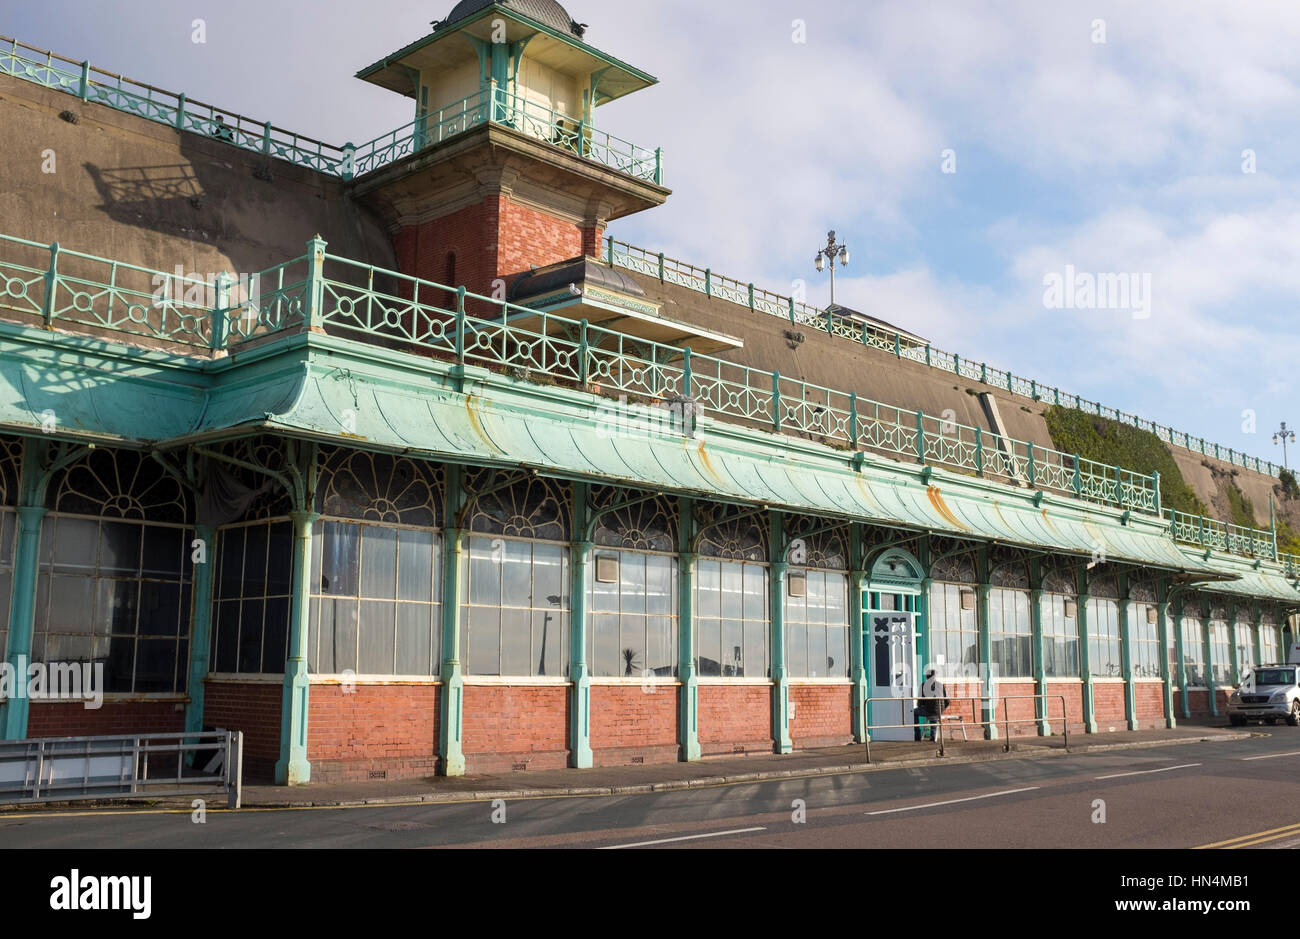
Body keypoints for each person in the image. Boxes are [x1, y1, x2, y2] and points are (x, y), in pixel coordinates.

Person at [914, 668, 948, 741]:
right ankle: (933, 735)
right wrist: (942, 708)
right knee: (934, 712)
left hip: (928, 710)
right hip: (939, 710)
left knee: (913, 712)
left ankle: (917, 735)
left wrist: (921, 706)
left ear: (927, 676)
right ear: (935, 676)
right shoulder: (941, 685)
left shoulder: (923, 685)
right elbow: (947, 701)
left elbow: (920, 701)